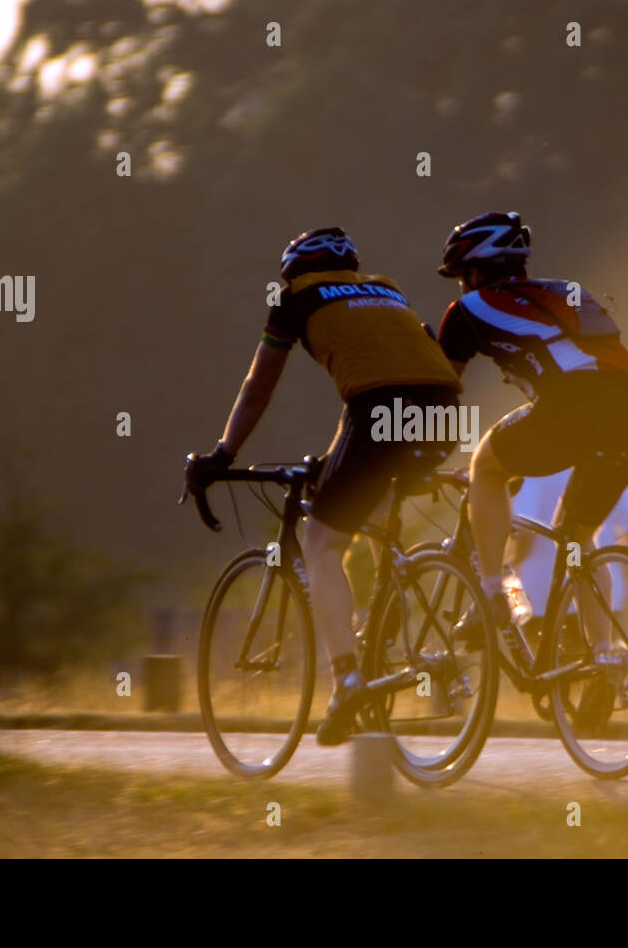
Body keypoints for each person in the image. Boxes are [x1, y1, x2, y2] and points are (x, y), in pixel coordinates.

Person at [186, 227, 463, 745]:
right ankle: (384, 630)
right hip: (445, 411)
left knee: (320, 544)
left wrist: (222, 454)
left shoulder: (295, 299)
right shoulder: (385, 287)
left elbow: (258, 386)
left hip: (379, 410)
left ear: (292, 271)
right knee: (374, 516)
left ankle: (348, 681)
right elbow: (398, 368)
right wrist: (338, 459)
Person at [434, 211, 628, 668]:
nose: (462, 286)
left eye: (462, 276)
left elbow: (440, 395)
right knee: (575, 536)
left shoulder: (466, 311)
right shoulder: (568, 292)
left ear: (474, 271)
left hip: (573, 409)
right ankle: (604, 657)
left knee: (486, 467)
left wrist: (418, 458)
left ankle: (492, 595)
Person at [509, 470, 628, 627]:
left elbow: (523, 534)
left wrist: (505, 567)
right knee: (604, 649)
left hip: (544, 599)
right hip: (603, 598)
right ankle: (603, 648)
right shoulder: (603, 467)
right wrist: (596, 564)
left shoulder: (533, 473)